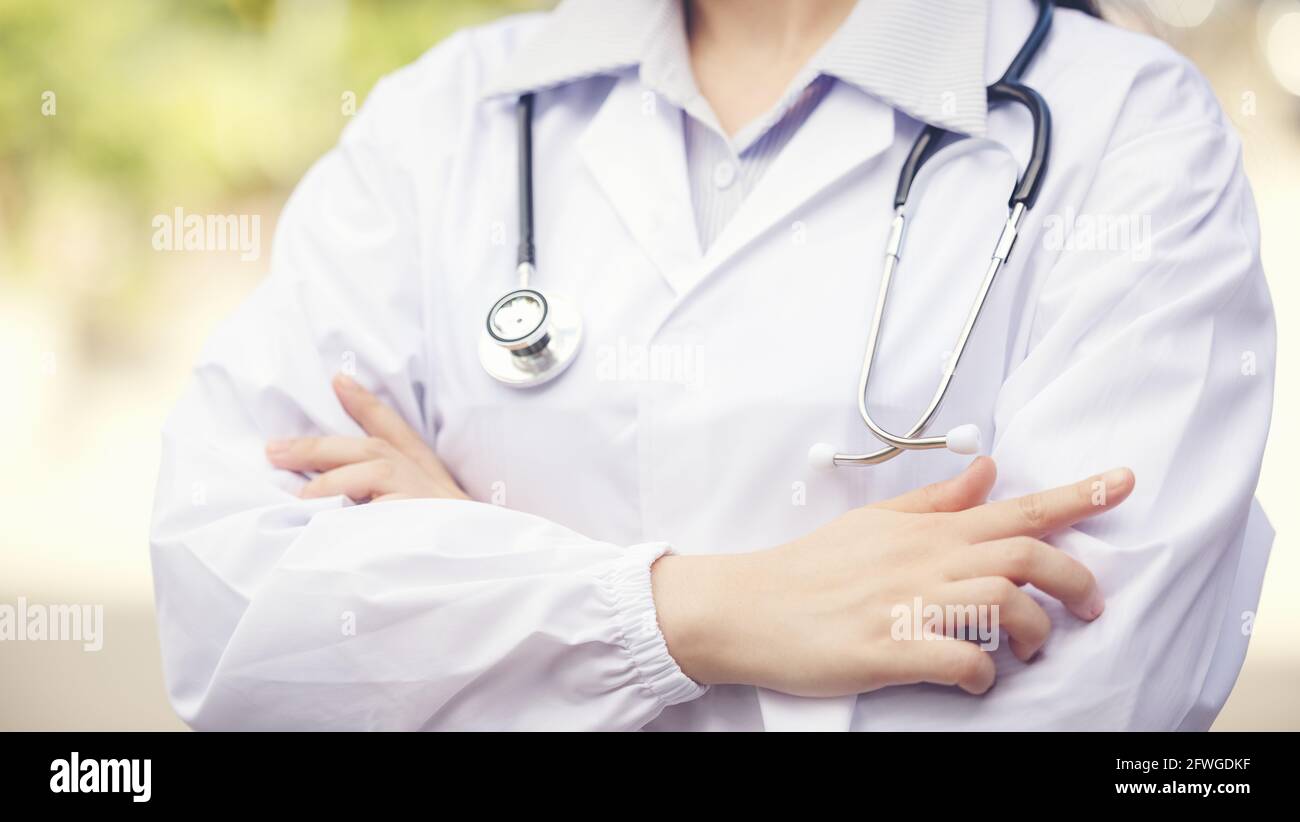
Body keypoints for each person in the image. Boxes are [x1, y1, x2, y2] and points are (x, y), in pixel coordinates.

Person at [149, 0, 1275, 730]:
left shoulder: (1128, 128)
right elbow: (238, 613)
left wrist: (475, 590)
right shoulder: (440, 121)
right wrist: (703, 611)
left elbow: (1092, 688)